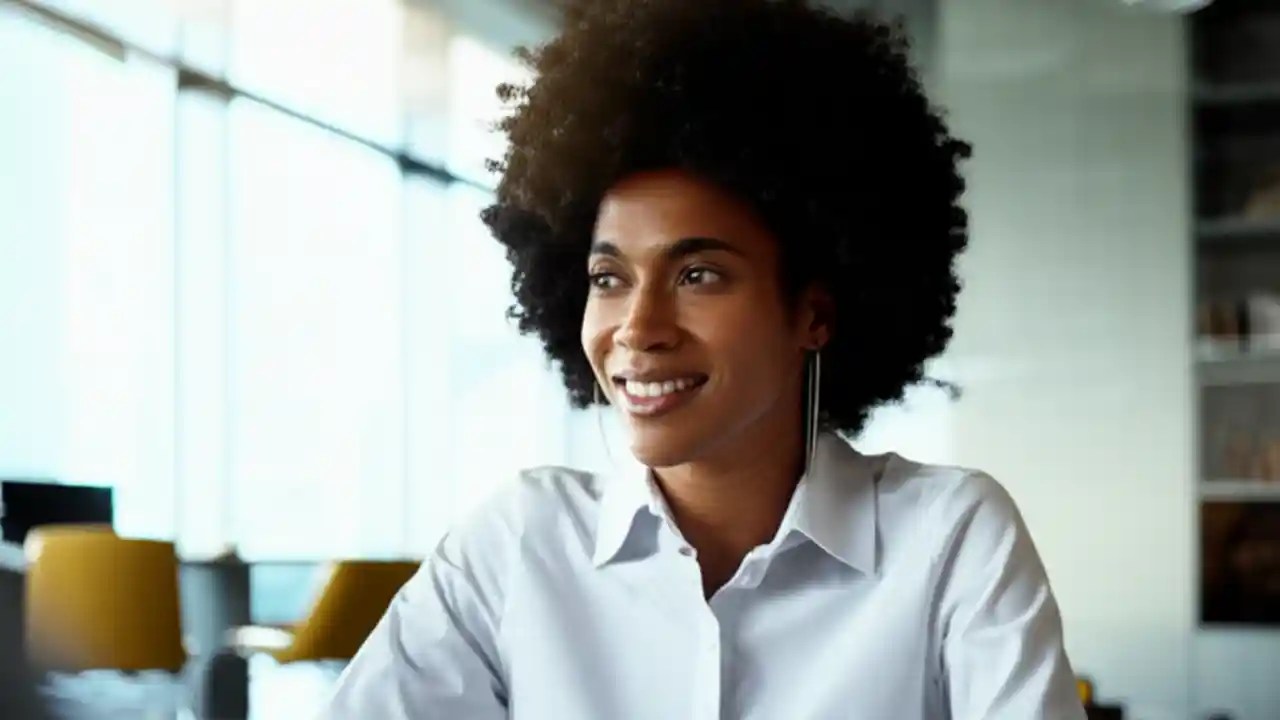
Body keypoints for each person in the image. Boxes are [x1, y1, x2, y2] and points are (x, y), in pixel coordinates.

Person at [320, 0, 1086, 717]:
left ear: (813, 313)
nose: (639, 327)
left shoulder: (950, 537)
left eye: (699, 275)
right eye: (609, 278)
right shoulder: (518, 543)